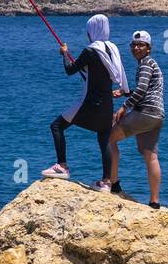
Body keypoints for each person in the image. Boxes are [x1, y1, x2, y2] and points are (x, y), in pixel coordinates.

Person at [42, 14, 128, 191]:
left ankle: (62, 166)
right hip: (107, 104)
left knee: (56, 126)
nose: (88, 34)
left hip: (88, 102)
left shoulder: (90, 51)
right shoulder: (112, 49)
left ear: (92, 30)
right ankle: (106, 182)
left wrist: (65, 54)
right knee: (104, 139)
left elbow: (70, 70)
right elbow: (97, 72)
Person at [110, 30, 165, 208]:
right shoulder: (152, 64)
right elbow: (146, 90)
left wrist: (124, 106)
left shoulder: (145, 64)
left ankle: (113, 183)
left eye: (141, 45)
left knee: (108, 137)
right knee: (151, 156)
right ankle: (154, 202)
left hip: (145, 111)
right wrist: (126, 92)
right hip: (157, 115)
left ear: (148, 48)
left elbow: (141, 91)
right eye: (133, 45)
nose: (136, 48)